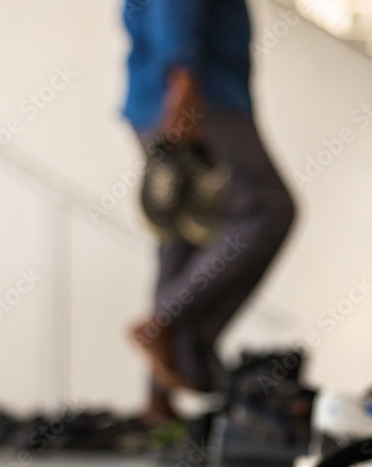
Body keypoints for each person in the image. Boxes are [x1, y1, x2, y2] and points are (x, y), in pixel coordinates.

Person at [122, 0, 296, 421]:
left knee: (182, 235)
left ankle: (158, 395)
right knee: (268, 210)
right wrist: (183, 79)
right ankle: (166, 322)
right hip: (198, 96)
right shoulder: (188, 81)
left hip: (165, 93)